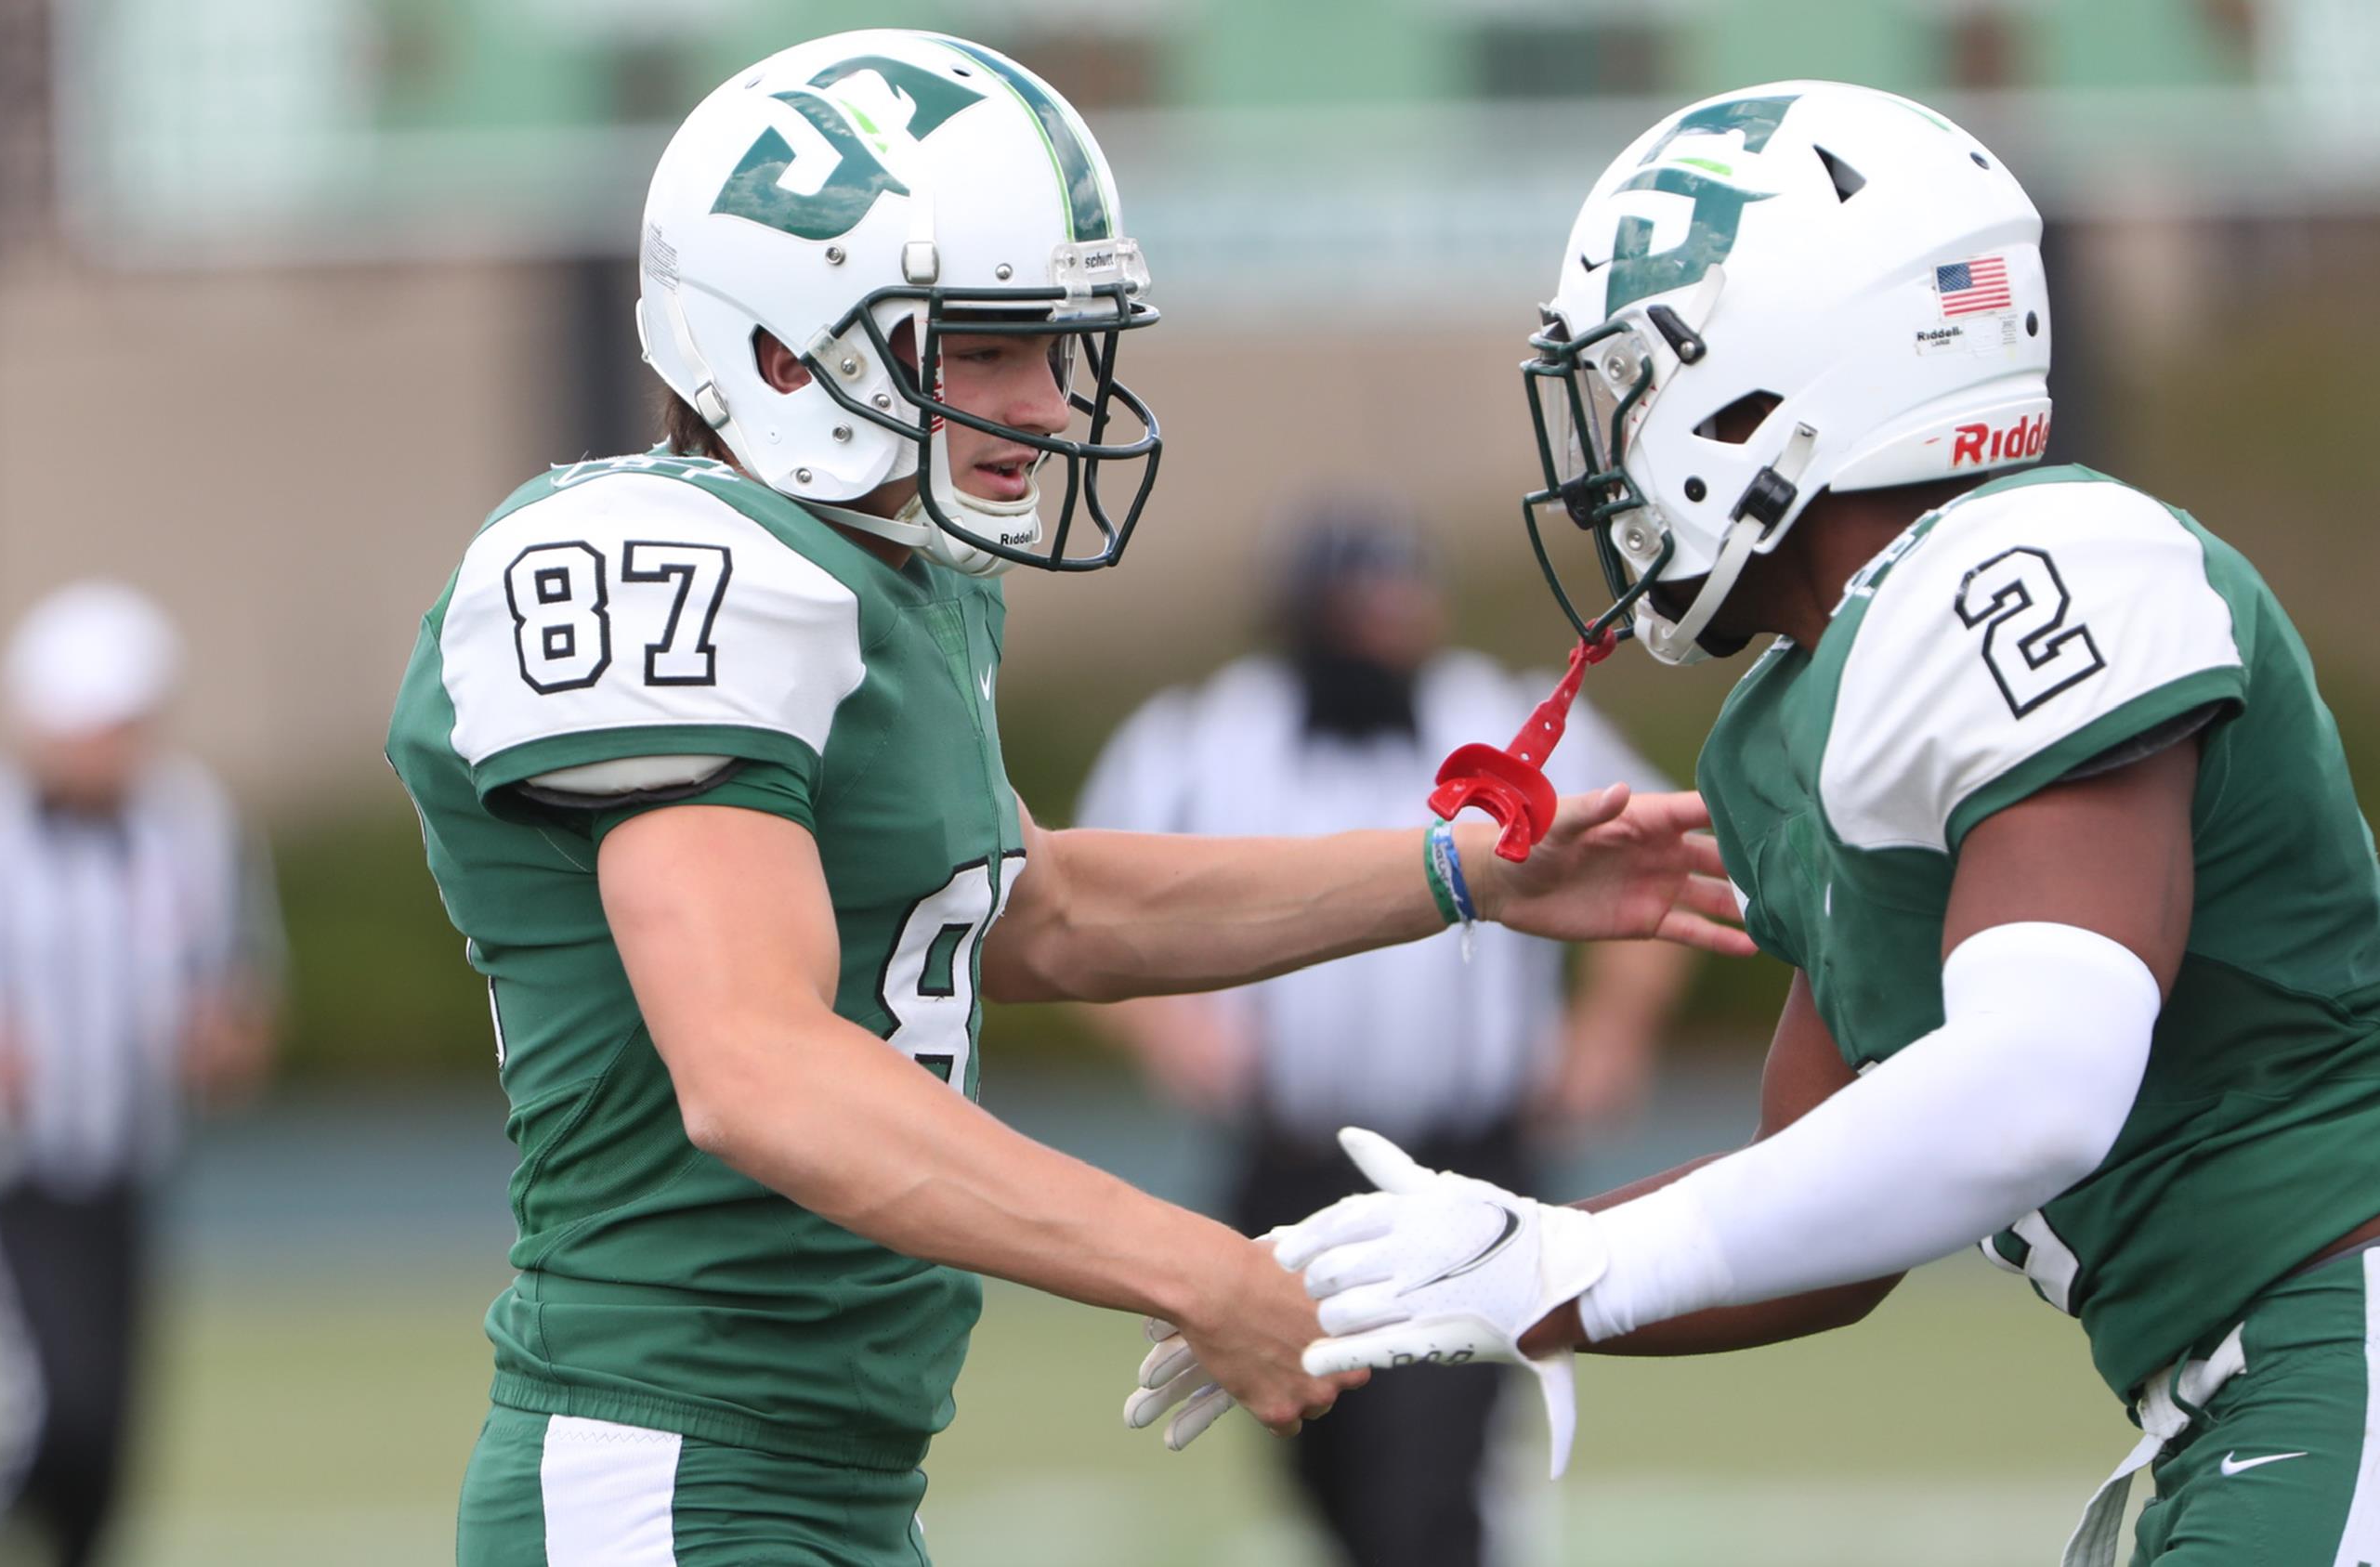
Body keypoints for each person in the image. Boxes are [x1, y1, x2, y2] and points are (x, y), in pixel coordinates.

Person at [382, 31, 1746, 1566]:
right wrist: (1189, 1263)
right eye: (981, 348)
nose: (1042, 401)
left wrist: (1460, 873)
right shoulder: (674, 563)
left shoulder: (877, 576)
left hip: (816, 1470)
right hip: (670, 1460)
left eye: (1052, 345)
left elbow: (1039, 907)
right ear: (779, 354)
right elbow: (755, 1065)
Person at [1225, 80, 2380, 1567]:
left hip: (2335, 1324)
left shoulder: (2040, 556)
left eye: (1637, 388)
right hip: (2244, 1377)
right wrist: (1479, 1272)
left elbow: (2039, 1084)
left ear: (1777, 383)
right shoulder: (1791, 721)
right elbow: (1822, 1216)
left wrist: (1583, 1255)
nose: (1608, 456)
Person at [1076, 504, 1693, 1567]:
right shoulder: (1202, 733)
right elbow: (1077, 906)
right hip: (1290, 1164)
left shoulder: (1505, 715)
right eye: (1362, 604)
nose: (1389, 625)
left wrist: (1609, 1030)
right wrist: (1173, 1035)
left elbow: (1648, 852)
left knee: (1429, 1489)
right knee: (1323, 1459)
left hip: (1467, 1163)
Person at [0, 581, 282, 1567]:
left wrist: (219, 1040)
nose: (111, 748)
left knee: (108, 1446)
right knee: (38, 1409)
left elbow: (239, 993)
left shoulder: (191, 826)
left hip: (125, 1164)